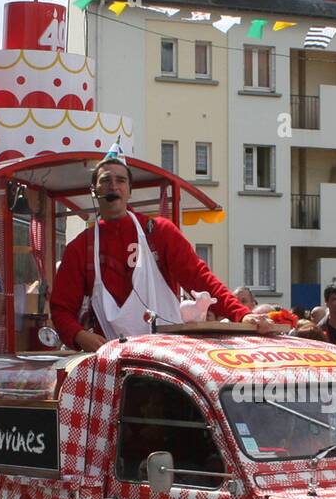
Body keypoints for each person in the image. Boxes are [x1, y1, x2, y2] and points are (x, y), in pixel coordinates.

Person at [49, 149, 269, 351]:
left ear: (129, 191)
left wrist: (241, 315)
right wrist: (79, 336)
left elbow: (200, 278)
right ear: (94, 191)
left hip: (167, 355)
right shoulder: (80, 248)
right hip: (113, 358)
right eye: (105, 181)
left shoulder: (159, 232)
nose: (113, 186)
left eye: (121, 180)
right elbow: (61, 309)